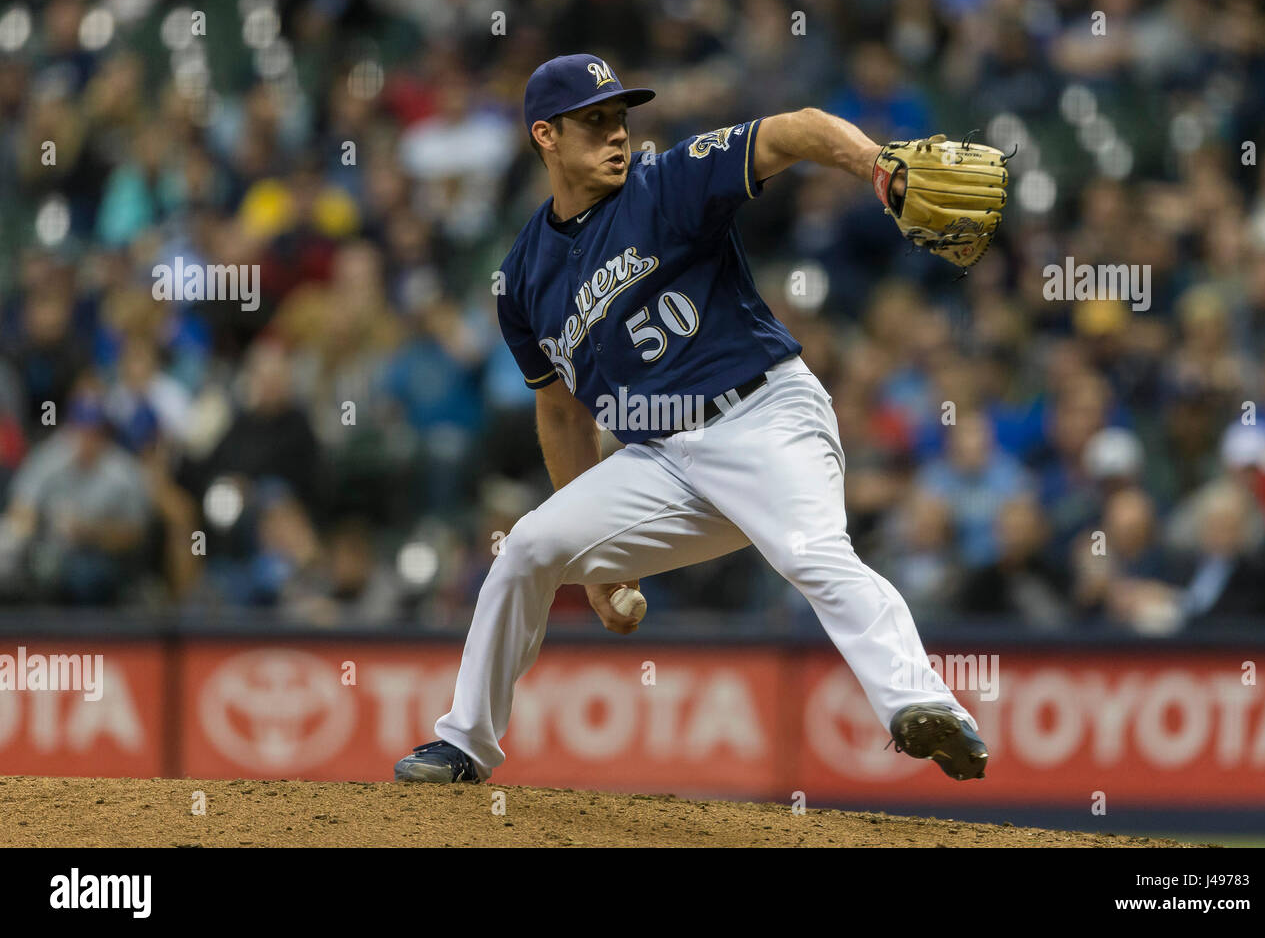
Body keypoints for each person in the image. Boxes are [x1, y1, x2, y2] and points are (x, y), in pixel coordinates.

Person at [396, 55, 988, 785]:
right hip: (662, 461)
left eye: (620, 117)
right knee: (525, 549)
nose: (616, 134)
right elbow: (560, 411)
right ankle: (465, 744)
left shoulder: (666, 183)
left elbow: (796, 130)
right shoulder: (521, 277)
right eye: (594, 121)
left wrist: (874, 166)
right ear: (544, 135)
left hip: (766, 416)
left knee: (812, 553)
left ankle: (925, 704)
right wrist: (603, 575)